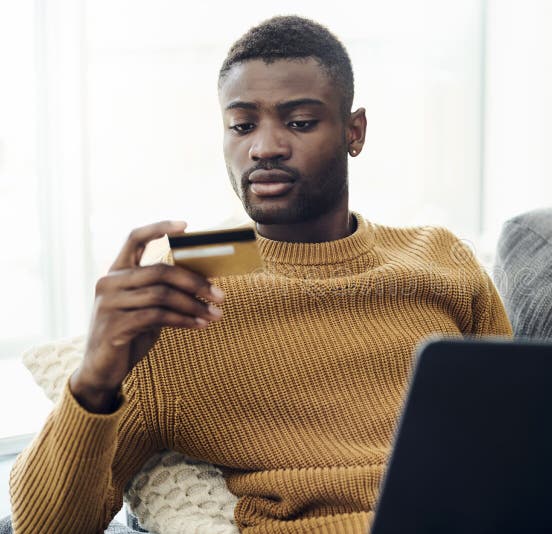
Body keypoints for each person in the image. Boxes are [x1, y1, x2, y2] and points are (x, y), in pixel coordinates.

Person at [7, 15, 512, 534]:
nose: (264, 147)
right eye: (243, 125)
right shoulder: (184, 293)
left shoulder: (439, 255)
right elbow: (45, 527)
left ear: (353, 132)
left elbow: (521, 432)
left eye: (298, 122)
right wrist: (95, 377)